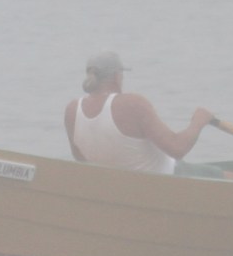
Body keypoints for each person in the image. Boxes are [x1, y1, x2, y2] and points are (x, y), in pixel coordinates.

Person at [63, 50, 219, 177]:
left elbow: (81, 158)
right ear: (117, 77)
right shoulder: (132, 104)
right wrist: (198, 122)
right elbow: (177, 149)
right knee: (229, 176)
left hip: (120, 188)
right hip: (166, 181)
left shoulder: (72, 111)